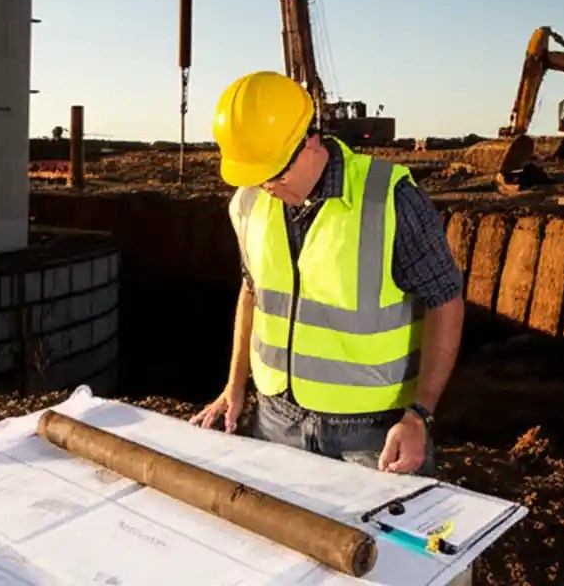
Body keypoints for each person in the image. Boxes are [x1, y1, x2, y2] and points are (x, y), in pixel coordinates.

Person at [188, 71, 464, 476]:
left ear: (311, 139)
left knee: (381, 542)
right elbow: (253, 293)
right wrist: (235, 385)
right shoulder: (248, 203)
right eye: (257, 174)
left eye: (277, 171)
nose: (268, 186)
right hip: (275, 420)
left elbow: (445, 301)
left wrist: (420, 414)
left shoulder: (389, 199)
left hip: (372, 433)